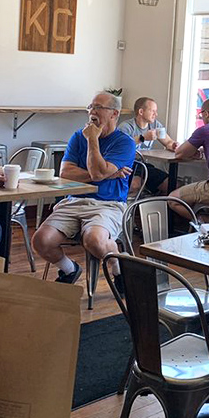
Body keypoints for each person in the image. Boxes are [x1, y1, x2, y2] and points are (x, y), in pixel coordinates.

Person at [32, 92, 136, 290]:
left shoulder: (124, 142)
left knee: (94, 240)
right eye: (90, 107)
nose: (92, 112)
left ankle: (118, 266)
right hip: (74, 200)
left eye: (98, 107)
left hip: (108, 204)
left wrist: (93, 141)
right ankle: (69, 269)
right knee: (41, 241)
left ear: (114, 114)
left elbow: (97, 172)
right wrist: (106, 174)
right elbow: (66, 173)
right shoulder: (78, 136)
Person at [119, 96, 178, 196]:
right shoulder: (126, 127)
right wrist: (143, 138)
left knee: (173, 185)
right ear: (141, 112)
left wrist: (173, 145)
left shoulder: (155, 125)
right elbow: (121, 147)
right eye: (153, 111)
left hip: (143, 165)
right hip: (127, 165)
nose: (156, 114)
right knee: (135, 185)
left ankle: (154, 203)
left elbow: (168, 142)